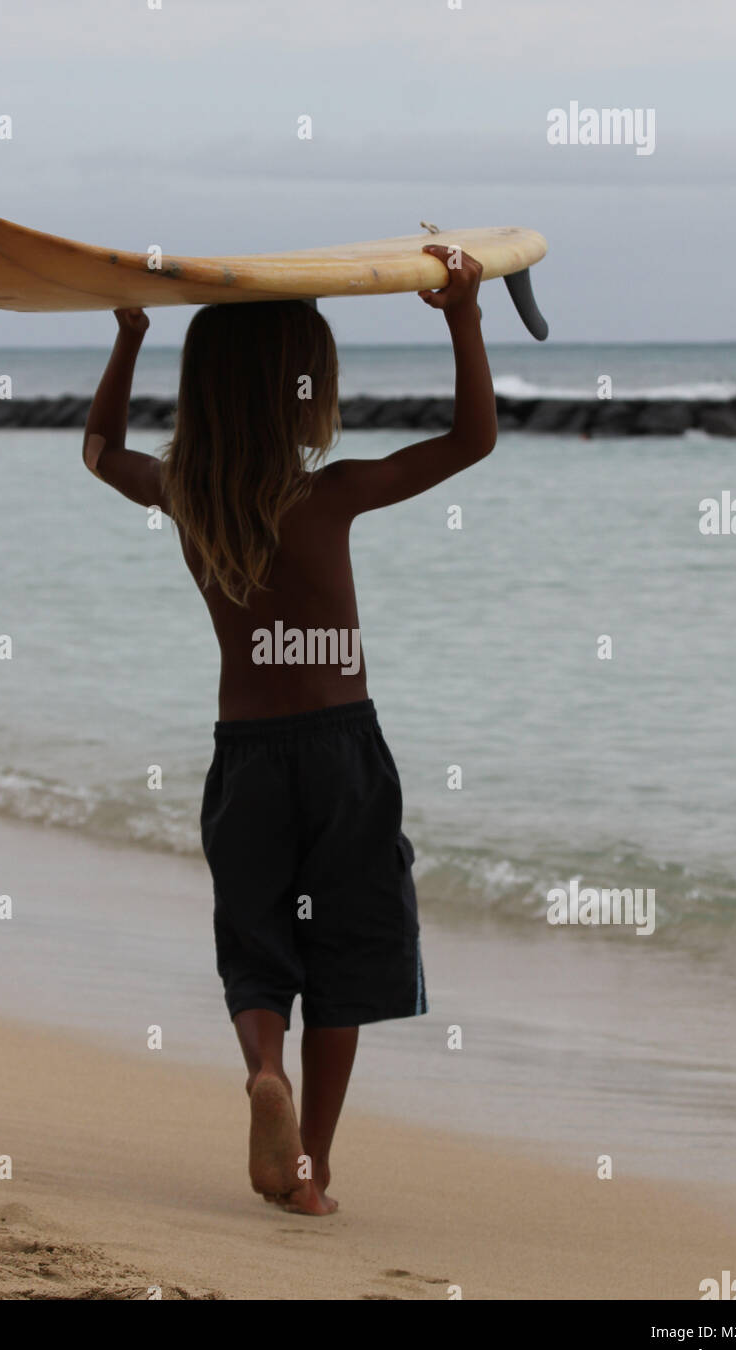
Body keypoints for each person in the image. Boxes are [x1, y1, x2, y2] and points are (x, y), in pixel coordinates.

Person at [82, 247, 496, 1215]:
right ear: (302, 390)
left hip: (247, 760)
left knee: (256, 942)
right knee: (346, 955)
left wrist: (128, 337)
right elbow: (470, 439)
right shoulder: (334, 490)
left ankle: (262, 1066)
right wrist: (461, 317)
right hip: (342, 751)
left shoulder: (182, 494)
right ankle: (307, 1162)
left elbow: (98, 447)